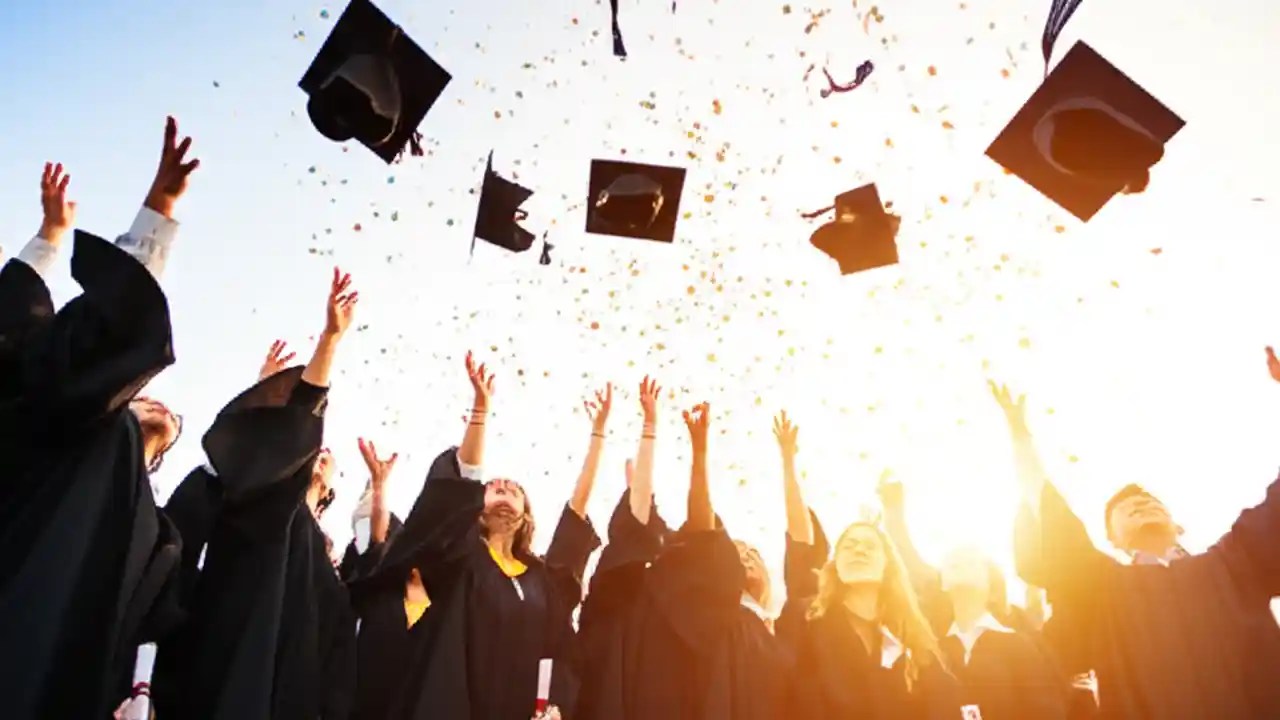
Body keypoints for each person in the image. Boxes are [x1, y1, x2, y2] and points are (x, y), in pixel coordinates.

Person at [0, 119, 198, 720]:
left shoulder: (161, 534)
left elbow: (151, 629)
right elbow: (72, 348)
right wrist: (154, 211)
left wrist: (133, 695)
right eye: (146, 397)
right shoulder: (73, 425)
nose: (161, 404)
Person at [992, 361, 1280, 718]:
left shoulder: (1234, 565)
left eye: (1150, 501)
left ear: (1179, 526)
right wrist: (1021, 438)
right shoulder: (1102, 588)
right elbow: (1050, 512)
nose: (1140, 504)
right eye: (1125, 508)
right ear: (1112, 539)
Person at [153, 269, 360, 720]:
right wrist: (327, 343)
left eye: (327, 457)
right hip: (232, 656)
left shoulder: (328, 559)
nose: (319, 454)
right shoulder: (262, 497)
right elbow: (282, 434)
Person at [366, 352, 602, 720]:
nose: (505, 488)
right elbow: (458, 488)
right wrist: (480, 410)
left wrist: (555, 706)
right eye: (494, 487)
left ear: (526, 516)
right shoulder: (458, 560)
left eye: (515, 490)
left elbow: (561, 650)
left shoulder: (541, 580)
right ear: (475, 506)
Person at [577, 394, 796, 720]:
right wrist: (675, 446)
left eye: (751, 552)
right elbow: (674, 530)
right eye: (736, 552)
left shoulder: (771, 629)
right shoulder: (652, 602)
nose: (743, 557)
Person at [772, 415, 958, 719]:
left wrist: (893, 514)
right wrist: (788, 462)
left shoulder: (912, 635)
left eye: (870, 546)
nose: (859, 549)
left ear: (889, 565)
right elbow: (800, 540)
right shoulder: (807, 617)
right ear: (835, 565)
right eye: (849, 545)